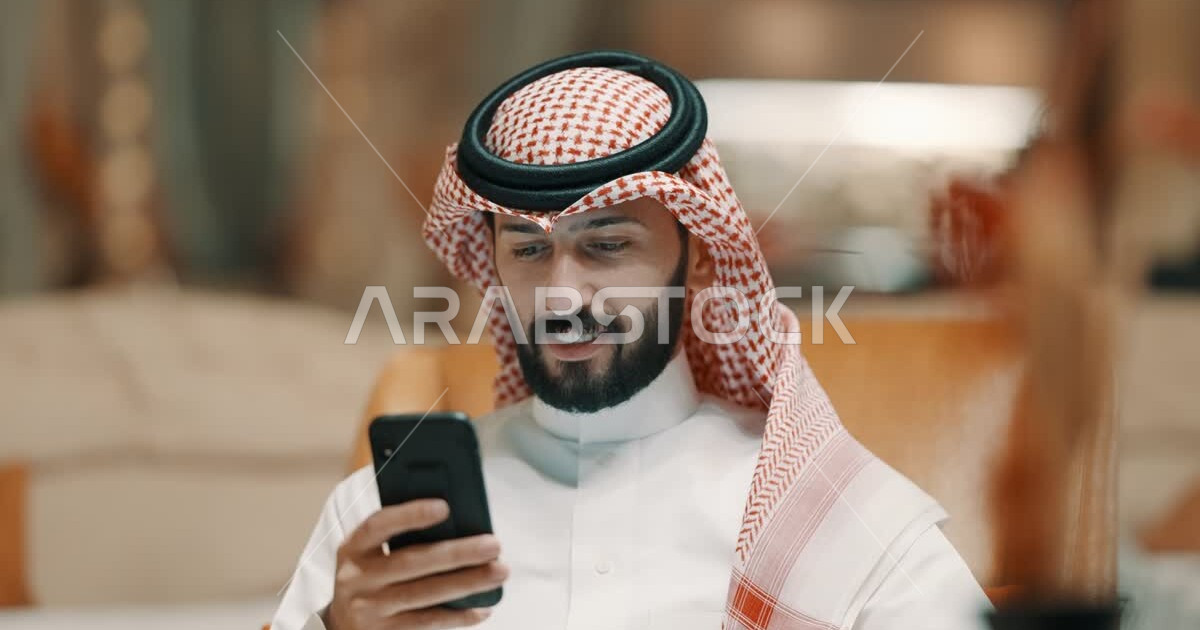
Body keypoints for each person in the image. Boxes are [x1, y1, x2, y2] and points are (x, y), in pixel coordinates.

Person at [272, 51, 990, 630]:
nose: (561, 295)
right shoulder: (379, 527)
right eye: (526, 249)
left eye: (607, 246)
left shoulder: (833, 521)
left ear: (700, 253)